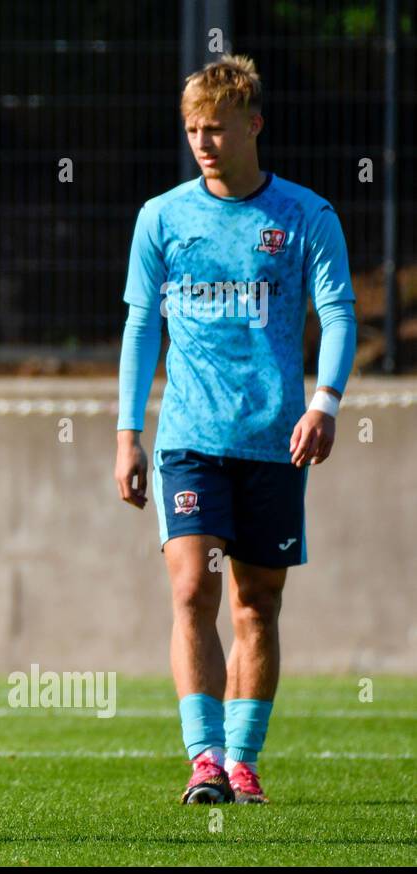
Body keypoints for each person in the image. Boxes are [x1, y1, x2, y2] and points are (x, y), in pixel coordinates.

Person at [115, 55, 357, 804]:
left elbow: (340, 313)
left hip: (274, 440)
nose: (203, 142)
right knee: (192, 590)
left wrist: (326, 403)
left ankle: (244, 760)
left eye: (216, 128)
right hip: (189, 439)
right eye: (192, 129)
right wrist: (128, 430)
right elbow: (139, 327)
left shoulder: (306, 216)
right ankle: (205, 760)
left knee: (257, 603)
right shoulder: (162, 216)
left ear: (254, 124)